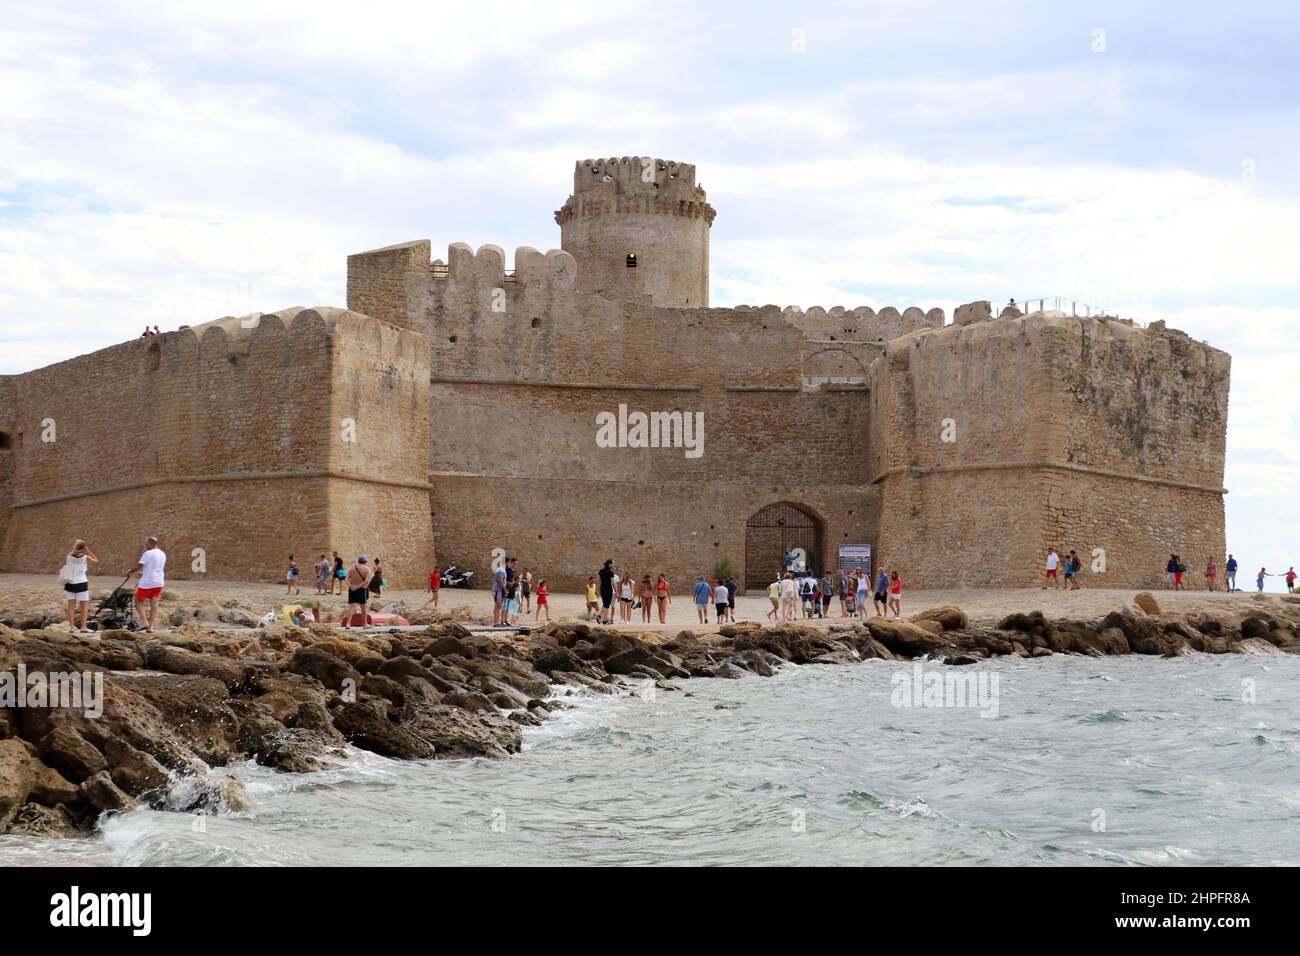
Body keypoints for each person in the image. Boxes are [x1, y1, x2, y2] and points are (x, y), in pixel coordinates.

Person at [59, 539, 98, 634]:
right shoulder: (85, 557)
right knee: (84, 606)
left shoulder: (68, 556)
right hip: (81, 583)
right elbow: (96, 560)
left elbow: (63, 565)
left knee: (71, 606)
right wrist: (88, 551)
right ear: (83, 548)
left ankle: (72, 627)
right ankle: (83, 627)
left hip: (70, 582)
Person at [129, 536, 167, 633]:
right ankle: (151, 627)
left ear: (151, 543)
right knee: (154, 604)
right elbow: (154, 567)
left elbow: (139, 566)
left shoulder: (147, 553)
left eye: (146, 544)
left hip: (147, 582)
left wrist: (130, 571)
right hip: (159, 582)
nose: (145, 545)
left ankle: (145, 623)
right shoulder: (162, 554)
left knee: (137, 601)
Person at [346, 555, 374, 627]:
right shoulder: (367, 569)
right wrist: (358, 587)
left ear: (358, 560)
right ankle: (364, 624)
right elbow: (367, 581)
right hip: (361, 589)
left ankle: (348, 624)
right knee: (363, 607)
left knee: (351, 607)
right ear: (365, 561)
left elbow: (346, 579)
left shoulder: (352, 568)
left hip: (352, 589)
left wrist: (351, 586)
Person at [597, 559, 616, 625]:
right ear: (610, 564)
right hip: (608, 590)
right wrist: (616, 591)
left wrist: (598, 590)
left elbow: (598, 581)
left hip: (602, 590)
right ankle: (605, 620)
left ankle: (599, 616)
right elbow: (613, 583)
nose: (613, 565)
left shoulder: (600, 571)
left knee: (605, 603)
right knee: (607, 605)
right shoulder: (611, 573)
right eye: (613, 563)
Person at [492, 560, 508, 626]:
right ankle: (496, 623)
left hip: (496, 590)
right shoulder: (501, 571)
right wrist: (505, 590)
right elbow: (500, 580)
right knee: (497, 606)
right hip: (498, 590)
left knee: (497, 606)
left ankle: (496, 622)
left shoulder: (499, 570)